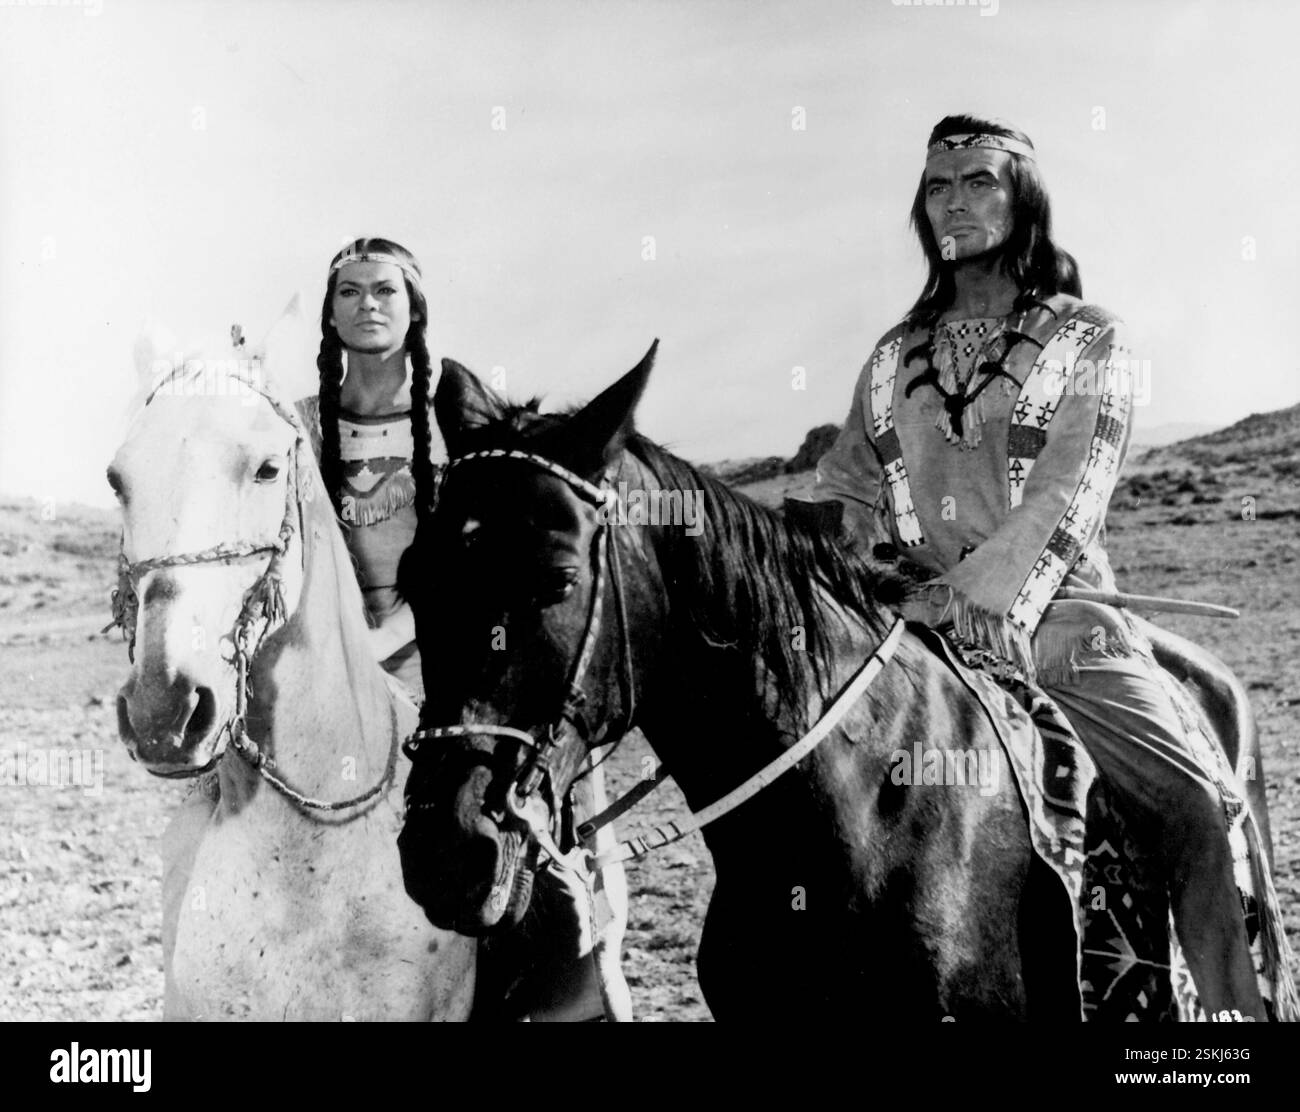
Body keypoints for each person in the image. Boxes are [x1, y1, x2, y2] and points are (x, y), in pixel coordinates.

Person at [811, 116, 1294, 1020]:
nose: (954, 200)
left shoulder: (1087, 338)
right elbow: (844, 484)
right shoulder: (891, 356)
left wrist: (973, 597)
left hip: (1057, 621)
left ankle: (1234, 1027)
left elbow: (1069, 493)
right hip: (905, 624)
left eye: (978, 182)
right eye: (938, 186)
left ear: (1022, 198)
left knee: (1194, 799)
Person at [299, 237, 625, 1020]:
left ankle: (564, 993)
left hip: (449, 657)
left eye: (385, 291)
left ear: (415, 310)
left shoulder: (456, 419)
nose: (367, 305)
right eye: (349, 292)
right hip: (339, 660)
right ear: (329, 311)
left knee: (533, 807)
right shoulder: (302, 425)